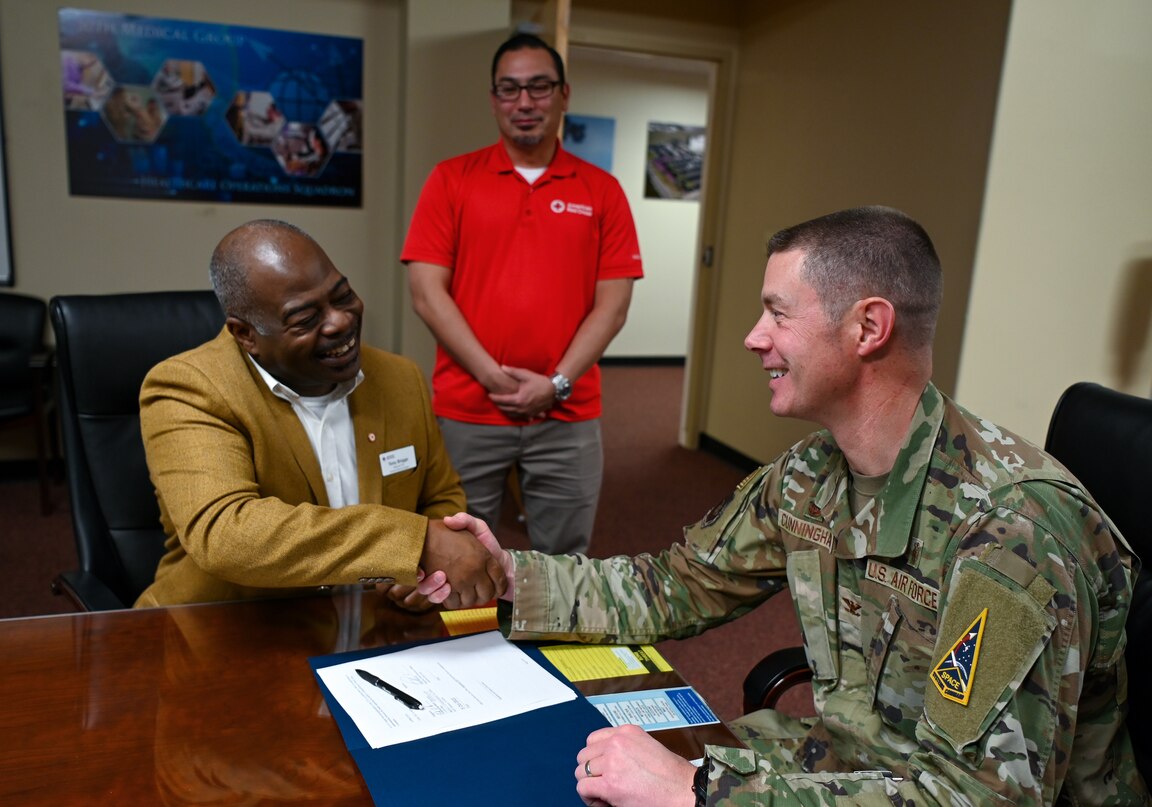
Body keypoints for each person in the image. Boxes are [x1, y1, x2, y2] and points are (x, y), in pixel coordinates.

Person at [422, 207, 1147, 804]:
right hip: (853, 767)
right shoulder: (812, 472)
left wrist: (701, 790)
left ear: (868, 327)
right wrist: (508, 573)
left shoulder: (1009, 526)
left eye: (777, 312)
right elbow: (678, 582)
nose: (753, 336)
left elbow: (978, 798)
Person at [136, 219, 504, 610]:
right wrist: (414, 544)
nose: (340, 321)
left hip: (375, 629)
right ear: (245, 334)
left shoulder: (400, 378)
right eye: (306, 319)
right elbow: (227, 534)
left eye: (343, 295)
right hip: (230, 629)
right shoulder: (189, 387)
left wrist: (431, 577)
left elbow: (441, 496)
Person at [401, 33, 643, 555]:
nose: (524, 102)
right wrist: (491, 374)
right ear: (493, 100)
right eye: (509, 90)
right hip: (469, 406)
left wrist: (555, 383)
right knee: (458, 555)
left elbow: (614, 304)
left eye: (538, 87)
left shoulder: (601, 190)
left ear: (563, 94)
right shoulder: (451, 180)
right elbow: (426, 292)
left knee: (564, 561)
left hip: (567, 411)